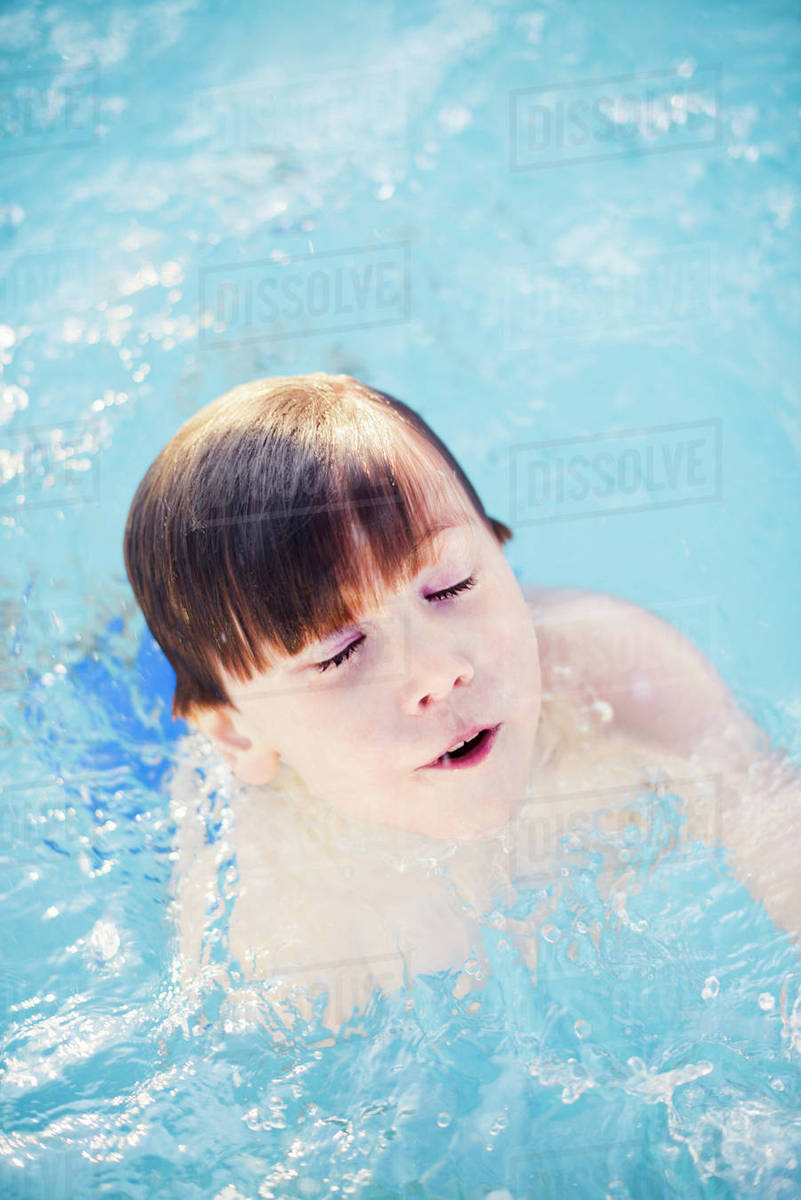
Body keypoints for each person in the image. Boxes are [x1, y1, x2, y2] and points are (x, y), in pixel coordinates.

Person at [124, 372, 800, 1036]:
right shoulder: (280, 921)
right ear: (240, 737)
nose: (439, 671)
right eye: (339, 652)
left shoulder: (613, 671)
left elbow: (766, 806)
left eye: (449, 586)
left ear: (500, 552)